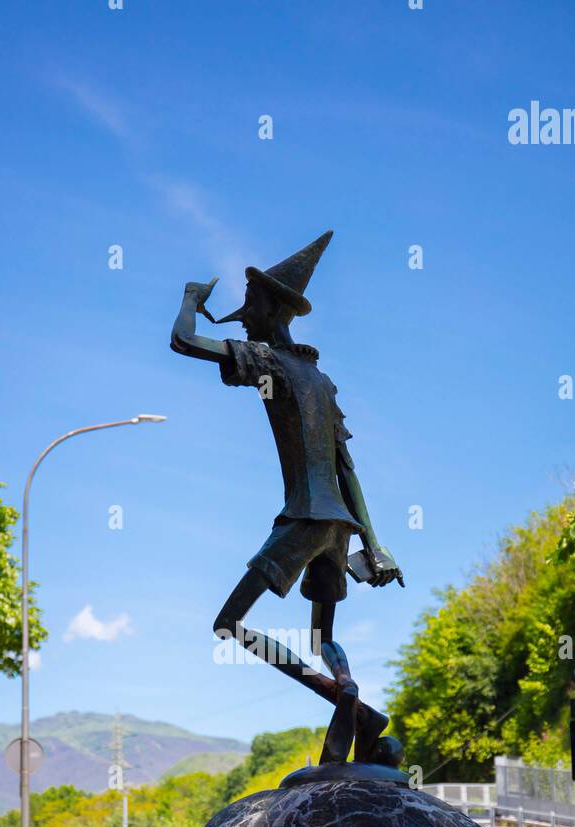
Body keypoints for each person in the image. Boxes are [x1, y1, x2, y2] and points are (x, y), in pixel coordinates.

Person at [170, 230, 404, 765]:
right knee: (324, 636)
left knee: (229, 623)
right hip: (340, 527)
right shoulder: (320, 379)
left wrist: (189, 298)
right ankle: (351, 696)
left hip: (301, 518)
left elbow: (184, 341)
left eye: (252, 302)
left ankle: (339, 696)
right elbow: (348, 469)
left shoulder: (268, 361)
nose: (244, 313)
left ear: (272, 306)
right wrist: (372, 545)